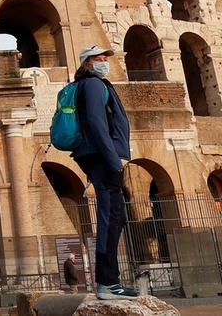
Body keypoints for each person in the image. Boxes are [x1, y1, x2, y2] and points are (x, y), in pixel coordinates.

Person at [71, 44, 138, 298]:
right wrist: (114, 160)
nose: (103, 62)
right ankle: (108, 283)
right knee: (110, 218)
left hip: (100, 157)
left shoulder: (91, 84)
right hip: (104, 158)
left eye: (104, 59)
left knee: (116, 218)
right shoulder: (93, 85)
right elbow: (98, 125)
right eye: (97, 59)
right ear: (86, 63)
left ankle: (110, 281)